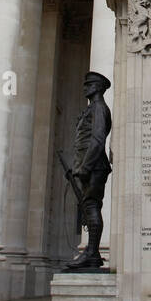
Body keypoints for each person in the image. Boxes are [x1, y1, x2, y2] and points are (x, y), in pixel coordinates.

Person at [66, 72, 112, 270]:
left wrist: (85, 166)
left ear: (98, 87)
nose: (85, 88)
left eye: (89, 85)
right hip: (88, 165)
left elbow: (97, 139)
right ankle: (91, 253)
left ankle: (92, 252)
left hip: (94, 166)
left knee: (91, 206)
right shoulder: (92, 109)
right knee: (89, 206)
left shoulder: (99, 108)